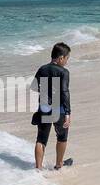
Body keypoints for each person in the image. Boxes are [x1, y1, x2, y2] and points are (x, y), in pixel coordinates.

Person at [31, 42, 72, 171]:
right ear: (61, 58)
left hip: (44, 107)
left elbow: (33, 86)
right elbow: (65, 92)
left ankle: (38, 168)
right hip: (58, 109)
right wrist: (68, 113)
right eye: (66, 58)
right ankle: (59, 164)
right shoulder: (63, 72)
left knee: (41, 140)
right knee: (62, 137)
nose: (66, 62)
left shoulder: (42, 69)